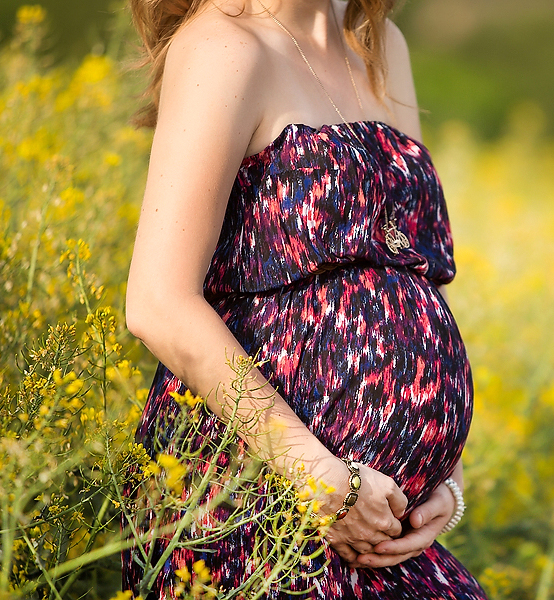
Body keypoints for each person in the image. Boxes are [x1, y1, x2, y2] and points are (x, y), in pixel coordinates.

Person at [122, 0, 487, 597]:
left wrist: (446, 474)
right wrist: (318, 476)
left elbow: (410, 272)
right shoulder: (224, 47)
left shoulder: (380, 45)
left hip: (383, 519)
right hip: (256, 505)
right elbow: (159, 303)